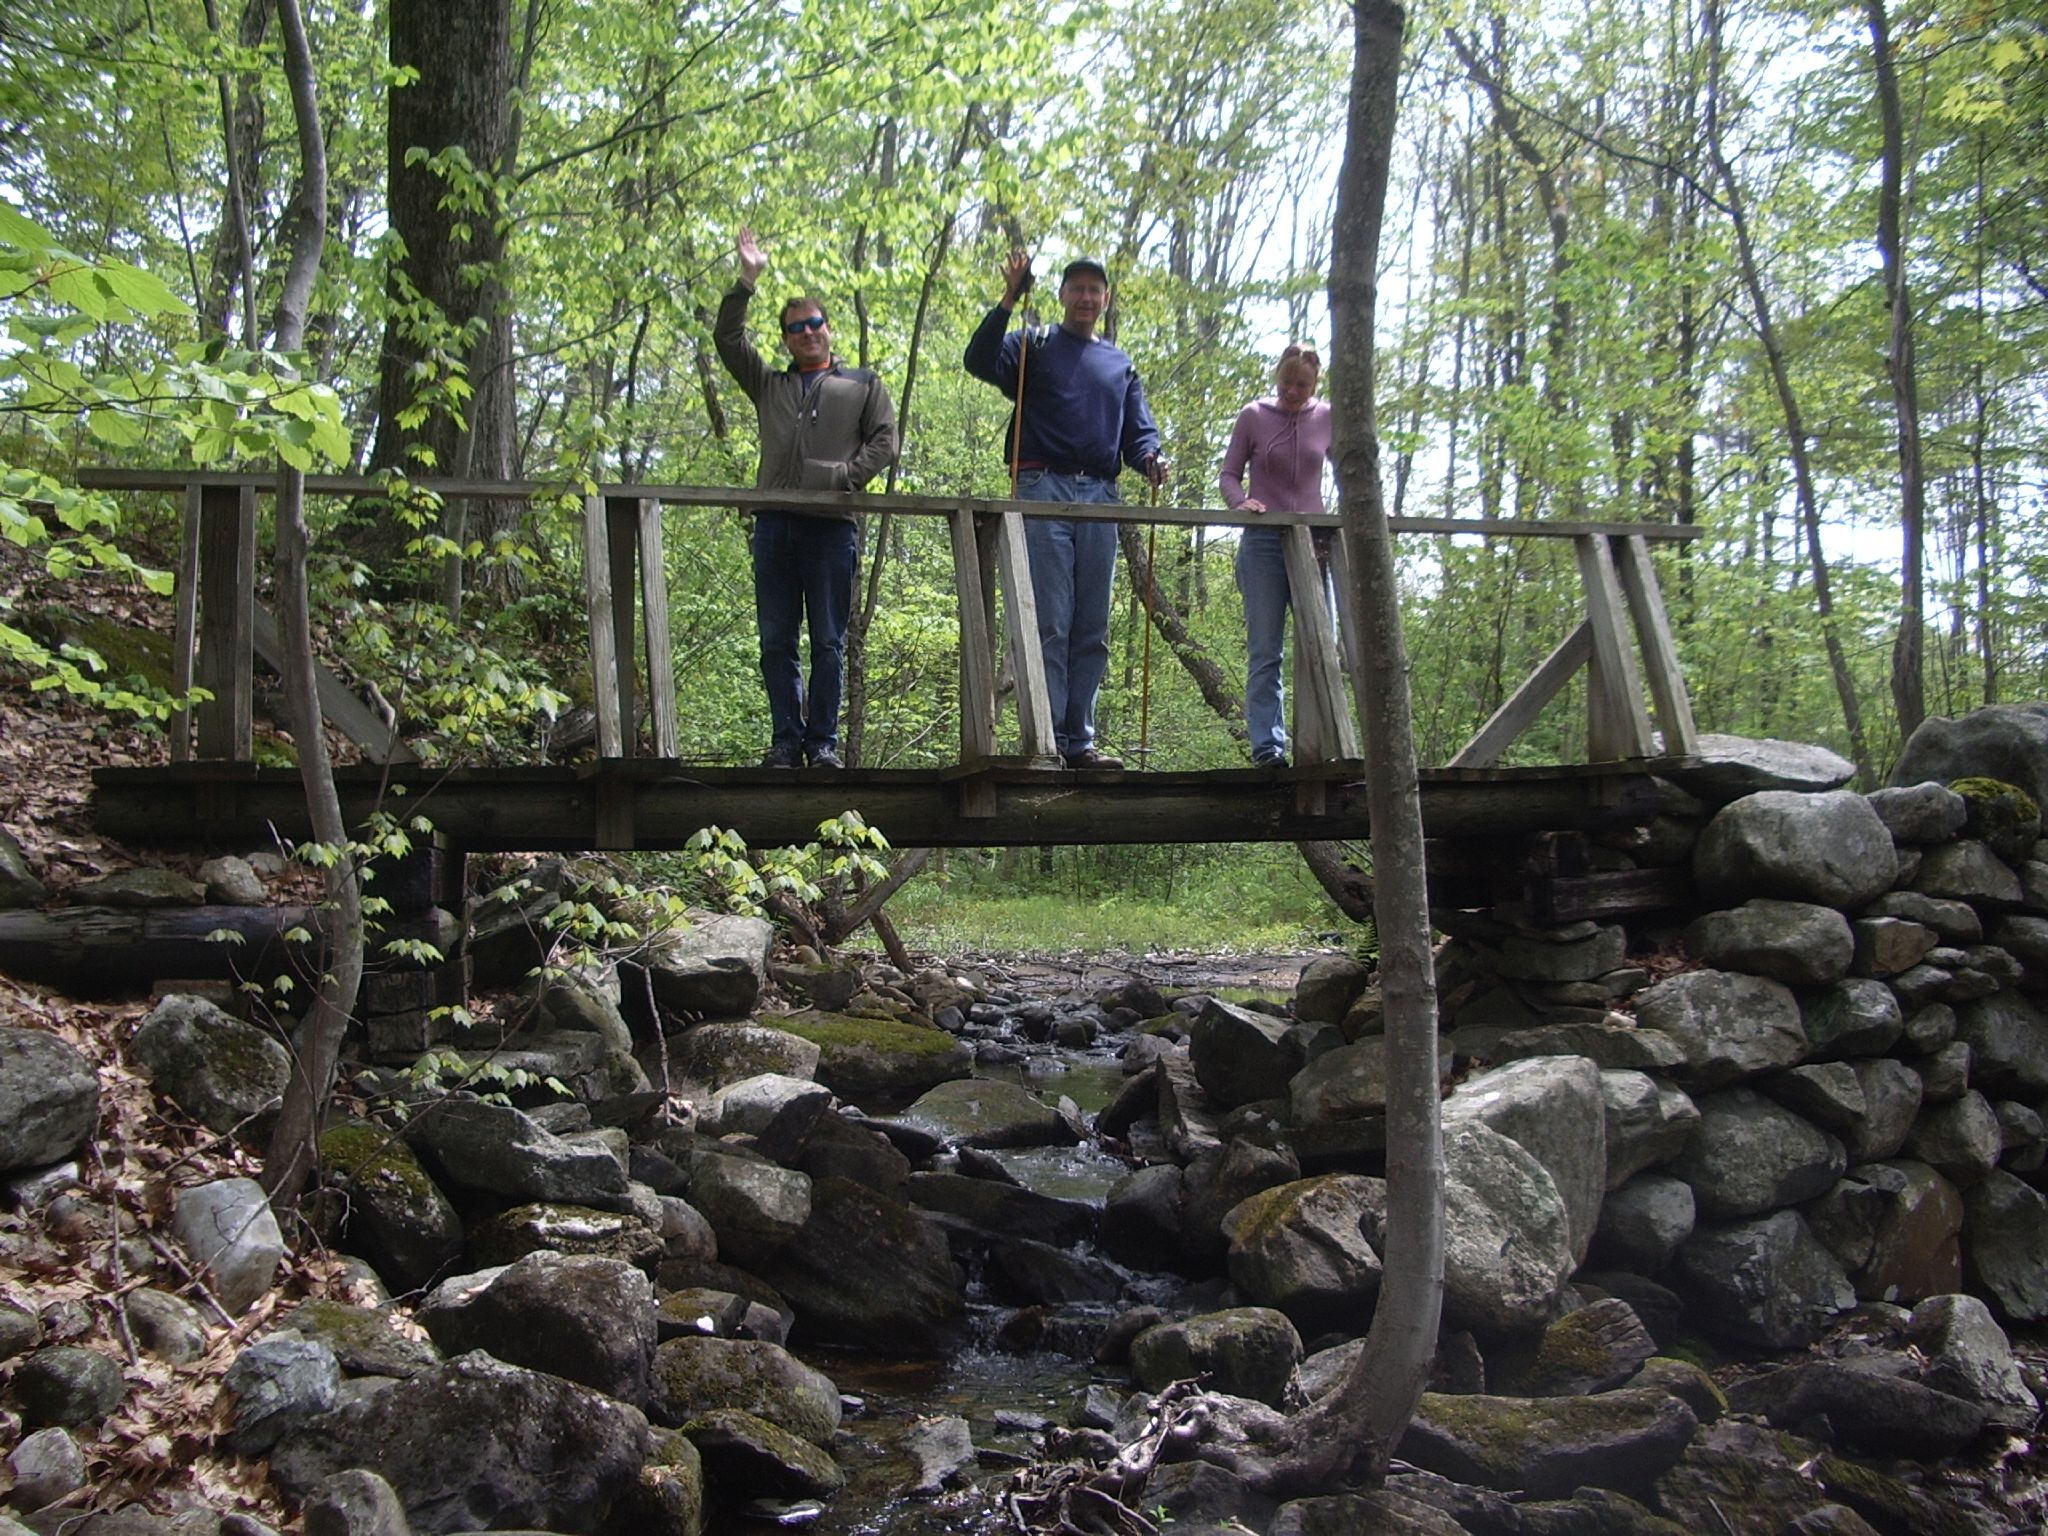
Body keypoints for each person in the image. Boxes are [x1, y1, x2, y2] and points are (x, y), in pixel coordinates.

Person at [964, 252, 1168, 770]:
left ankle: (1082, 740)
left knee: (1092, 624)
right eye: (1076, 288)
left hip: (1100, 494)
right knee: (1051, 619)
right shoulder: (1035, 345)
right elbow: (979, 359)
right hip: (1041, 485)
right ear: (1061, 295)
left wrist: (1150, 459)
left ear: (1105, 300)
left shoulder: (1120, 365)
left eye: (1094, 290)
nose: (1085, 297)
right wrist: (1009, 298)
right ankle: (1050, 739)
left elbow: (1138, 432)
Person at [714, 228, 897, 768]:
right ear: (787, 339)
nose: (807, 332)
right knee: (776, 640)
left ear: (829, 329)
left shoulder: (861, 383)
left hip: (830, 526)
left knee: (828, 642)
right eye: (796, 327)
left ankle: (822, 745)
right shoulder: (770, 384)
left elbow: (885, 440)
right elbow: (727, 340)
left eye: (815, 323)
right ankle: (785, 742)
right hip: (773, 524)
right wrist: (746, 280)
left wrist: (844, 476)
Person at [1218, 343, 1335, 768]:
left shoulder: (1328, 417)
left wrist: (1368, 506)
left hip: (1315, 541)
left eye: (1302, 384)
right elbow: (1229, 474)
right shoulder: (1254, 415)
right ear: (1277, 376)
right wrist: (1240, 503)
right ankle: (1268, 747)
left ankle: (1324, 745)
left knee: (1323, 644)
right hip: (1264, 540)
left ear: (1315, 383)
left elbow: (1353, 471)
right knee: (1266, 649)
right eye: (1287, 381)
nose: (1293, 391)